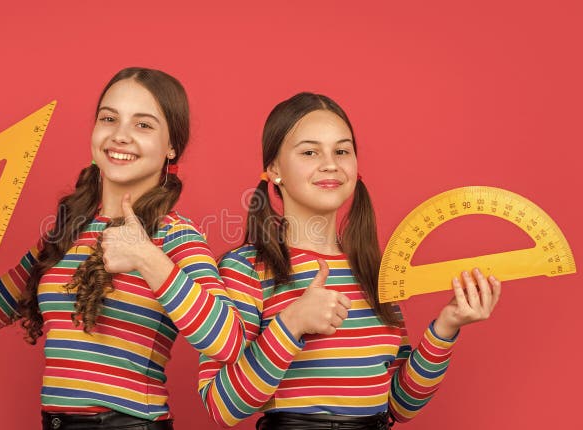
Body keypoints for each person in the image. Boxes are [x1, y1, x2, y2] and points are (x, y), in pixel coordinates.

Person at [0, 67, 244, 430]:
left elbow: (229, 341)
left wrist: (146, 256)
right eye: (109, 119)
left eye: (143, 125)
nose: (120, 135)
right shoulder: (65, 232)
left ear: (172, 146)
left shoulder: (174, 236)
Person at [198, 92, 502, 429]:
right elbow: (221, 406)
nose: (331, 163)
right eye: (310, 152)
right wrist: (292, 323)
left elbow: (400, 405)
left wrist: (447, 327)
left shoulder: (373, 269)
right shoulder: (244, 269)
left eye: (342, 151)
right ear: (274, 168)